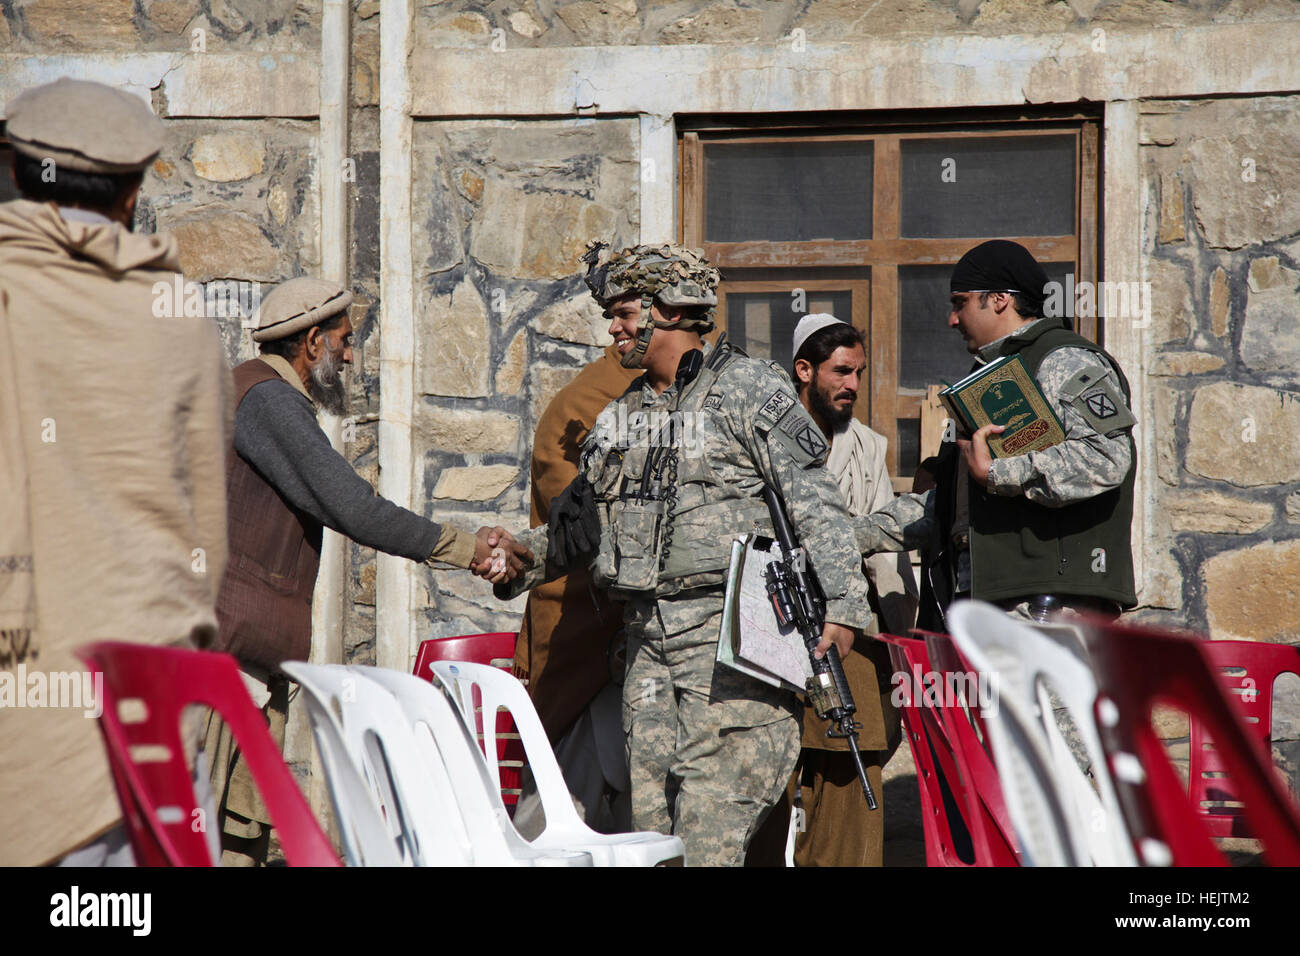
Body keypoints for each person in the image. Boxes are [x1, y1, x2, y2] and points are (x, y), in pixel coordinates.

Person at [496, 242, 872, 866]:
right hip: (646, 652)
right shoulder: (621, 416)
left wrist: (844, 605)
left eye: (623, 312)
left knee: (707, 839)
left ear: (670, 310)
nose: (612, 327)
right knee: (655, 842)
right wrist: (518, 555)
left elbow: (816, 504)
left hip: (732, 649)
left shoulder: (752, 392)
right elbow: (579, 525)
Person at [206, 275, 530, 865]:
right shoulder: (267, 401)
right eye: (345, 340)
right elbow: (354, 507)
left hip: (240, 668)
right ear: (311, 342)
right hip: (221, 672)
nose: (352, 354)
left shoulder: (253, 395)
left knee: (236, 844)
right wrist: (467, 548)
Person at [0, 78, 231, 866]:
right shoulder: (178, 318)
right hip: (147, 705)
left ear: (13, 170)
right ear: (133, 191)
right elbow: (207, 534)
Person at [857, 240, 1137, 627]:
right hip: (980, 603)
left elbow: (1107, 458)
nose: (952, 319)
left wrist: (997, 473)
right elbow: (956, 506)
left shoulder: (1064, 360)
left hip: (1043, 610)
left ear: (1001, 299)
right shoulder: (985, 380)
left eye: (961, 302)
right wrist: (856, 534)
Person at [748, 314, 918, 867]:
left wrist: (891, 633)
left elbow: (881, 546)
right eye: (841, 371)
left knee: (854, 761)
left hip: (847, 627)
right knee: (766, 772)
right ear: (804, 370)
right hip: (771, 624)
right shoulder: (758, 437)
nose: (852, 385)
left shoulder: (867, 446)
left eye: (859, 373)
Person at [510, 343, 641, 838]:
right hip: (582, 636)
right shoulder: (582, 405)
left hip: (653, 654)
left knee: (642, 829)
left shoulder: (684, 397)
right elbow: (581, 530)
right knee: (557, 818)